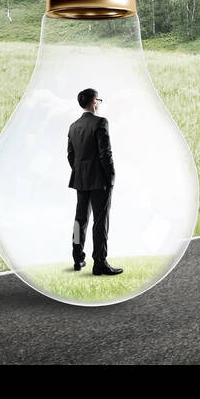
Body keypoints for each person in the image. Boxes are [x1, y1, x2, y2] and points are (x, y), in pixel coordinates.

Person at [67, 88, 123, 275]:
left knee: (79, 220)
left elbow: (71, 155)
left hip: (80, 179)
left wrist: (80, 171)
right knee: (100, 221)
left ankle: (77, 258)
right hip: (100, 180)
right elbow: (105, 153)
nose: (98, 102)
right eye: (98, 99)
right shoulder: (100, 122)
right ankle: (99, 262)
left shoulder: (73, 126)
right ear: (94, 102)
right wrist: (111, 175)